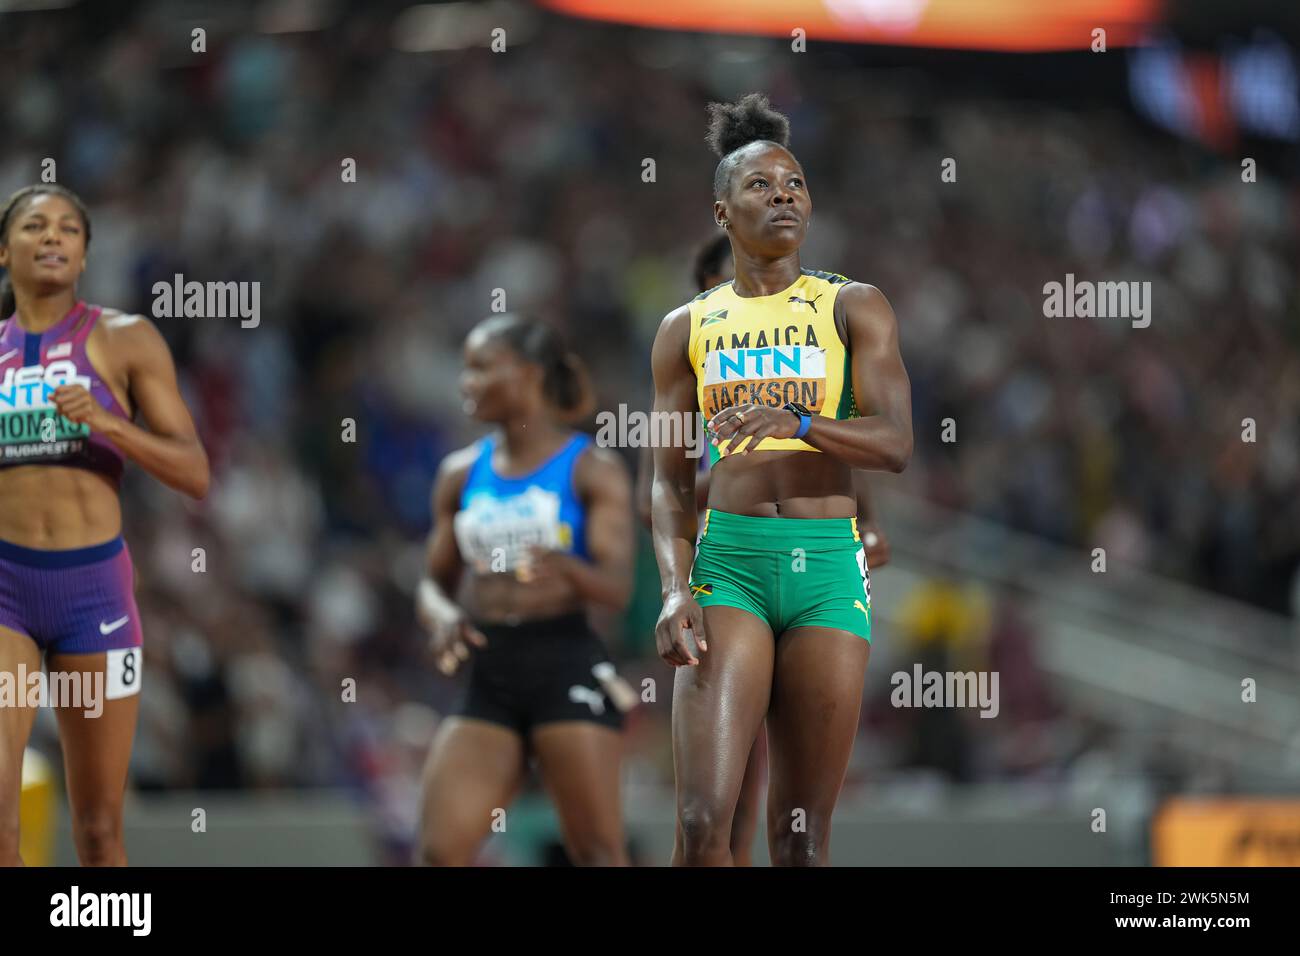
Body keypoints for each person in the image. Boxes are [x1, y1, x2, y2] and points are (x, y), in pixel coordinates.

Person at [649, 93, 912, 865]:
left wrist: (798, 422)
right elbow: (666, 483)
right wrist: (673, 587)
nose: (783, 195)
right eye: (761, 186)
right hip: (728, 565)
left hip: (827, 569)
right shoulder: (686, 328)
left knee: (798, 841)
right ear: (723, 211)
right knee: (701, 824)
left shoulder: (853, 307)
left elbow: (895, 443)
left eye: (794, 184)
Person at [0, 184, 210, 866]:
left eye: (69, 229)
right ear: (6, 251)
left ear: (85, 255)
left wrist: (110, 424)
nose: (53, 237)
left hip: (93, 597)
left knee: (97, 831)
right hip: (5, 591)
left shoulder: (124, 339)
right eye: (35, 226)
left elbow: (194, 472)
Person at [416, 314, 635, 866]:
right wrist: (442, 617)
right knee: (440, 851)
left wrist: (569, 571)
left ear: (529, 373)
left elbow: (618, 589)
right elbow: (432, 585)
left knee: (598, 852)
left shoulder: (592, 468)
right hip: (490, 668)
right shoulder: (459, 474)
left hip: (564, 660)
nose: (466, 383)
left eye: (480, 368)